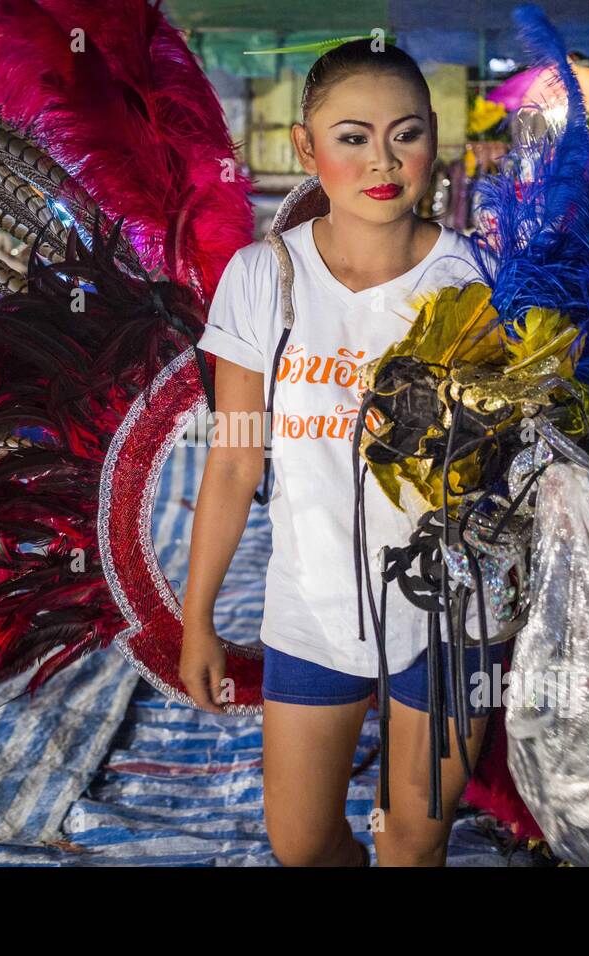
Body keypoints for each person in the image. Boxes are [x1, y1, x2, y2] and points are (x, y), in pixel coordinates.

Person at [181, 39, 498, 867]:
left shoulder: (482, 280)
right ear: (305, 146)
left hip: (453, 617)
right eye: (353, 136)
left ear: (436, 139)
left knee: (409, 846)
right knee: (301, 844)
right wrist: (198, 619)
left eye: (407, 134)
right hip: (311, 610)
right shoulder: (262, 277)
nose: (383, 160)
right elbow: (235, 461)